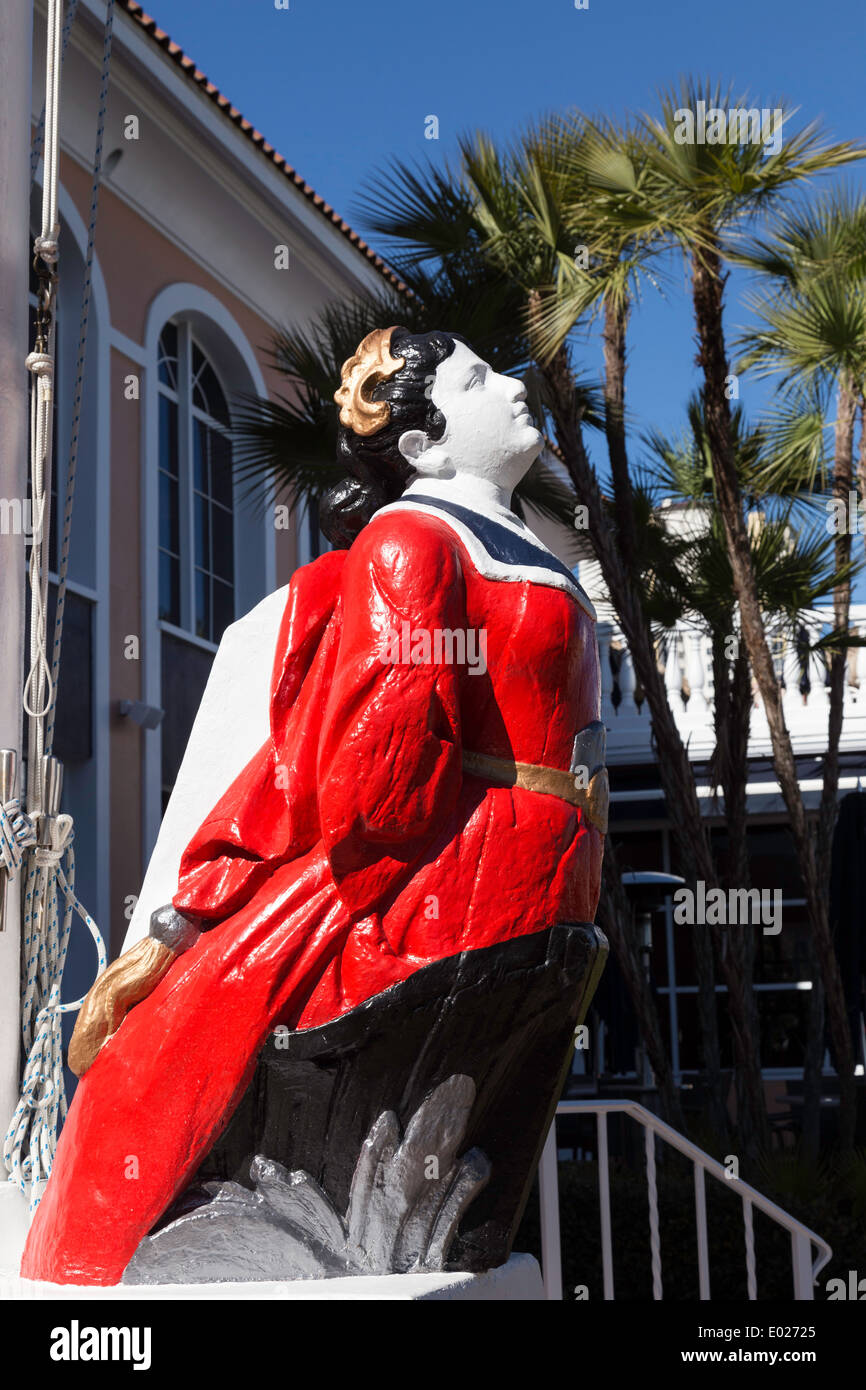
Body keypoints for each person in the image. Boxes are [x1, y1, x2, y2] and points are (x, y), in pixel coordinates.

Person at [21, 327, 605, 1285]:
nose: (512, 386)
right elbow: (380, 785)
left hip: (506, 869)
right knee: (195, 1037)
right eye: (476, 379)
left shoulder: (487, 546)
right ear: (420, 446)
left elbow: (396, 760)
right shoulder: (414, 541)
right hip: (467, 876)